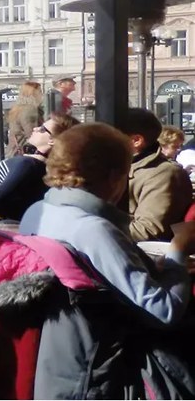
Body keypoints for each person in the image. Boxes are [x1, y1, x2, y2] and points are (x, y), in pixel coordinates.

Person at [19, 122, 195, 398]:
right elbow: (163, 312)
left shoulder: (37, 212)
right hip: (108, 370)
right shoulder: (94, 229)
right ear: (114, 177)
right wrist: (178, 251)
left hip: (54, 359)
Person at [0, 112, 79, 221]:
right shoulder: (44, 168)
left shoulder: (27, 164)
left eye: (42, 129)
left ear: (53, 140)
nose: (35, 129)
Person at [120, 108, 192, 242]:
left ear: (136, 140)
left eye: (110, 136)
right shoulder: (121, 166)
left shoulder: (163, 174)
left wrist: (92, 232)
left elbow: (147, 231)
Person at [7, 81, 44, 156]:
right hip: (26, 153)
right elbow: (32, 133)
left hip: (16, 151)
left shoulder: (18, 108)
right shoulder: (29, 110)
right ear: (32, 93)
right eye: (39, 91)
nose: (41, 94)